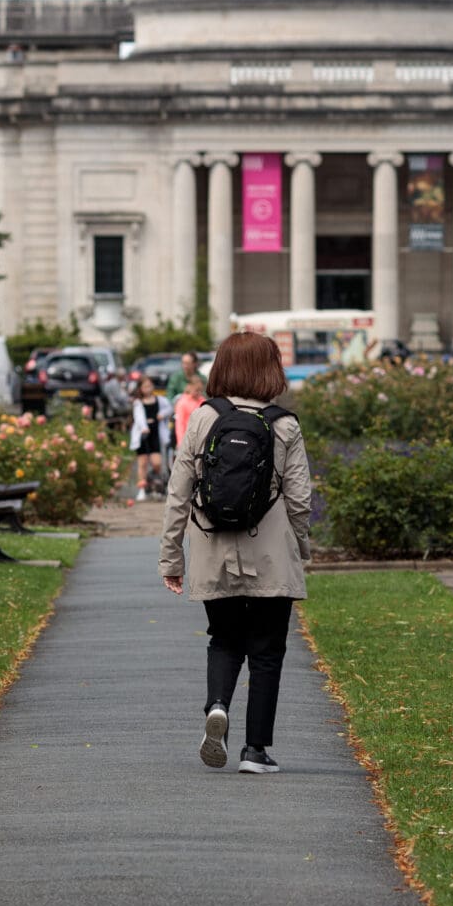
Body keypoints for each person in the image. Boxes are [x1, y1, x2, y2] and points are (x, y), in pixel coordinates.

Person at [160, 332, 313, 774]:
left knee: (224, 638)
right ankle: (256, 751)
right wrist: (300, 548)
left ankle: (217, 706)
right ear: (271, 370)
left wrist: (172, 558)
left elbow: (178, 493)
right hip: (271, 553)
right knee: (267, 650)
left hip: (213, 549)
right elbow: (299, 500)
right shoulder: (285, 425)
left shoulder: (204, 418)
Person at [127, 373, 164, 500]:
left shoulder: (159, 400)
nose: (148, 389)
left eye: (149, 386)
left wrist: (163, 415)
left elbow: (169, 408)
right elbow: (139, 417)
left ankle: (153, 482)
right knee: (142, 463)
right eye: (145, 387)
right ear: (140, 389)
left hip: (154, 434)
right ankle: (142, 488)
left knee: (157, 463)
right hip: (143, 435)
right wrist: (144, 427)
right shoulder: (138, 402)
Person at [173, 371, 207, 445]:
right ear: (189, 387)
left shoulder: (203, 400)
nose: (199, 393)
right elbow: (180, 424)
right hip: (186, 438)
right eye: (197, 390)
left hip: (200, 438)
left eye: (200, 390)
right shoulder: (182, 402)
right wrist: (180, 442)